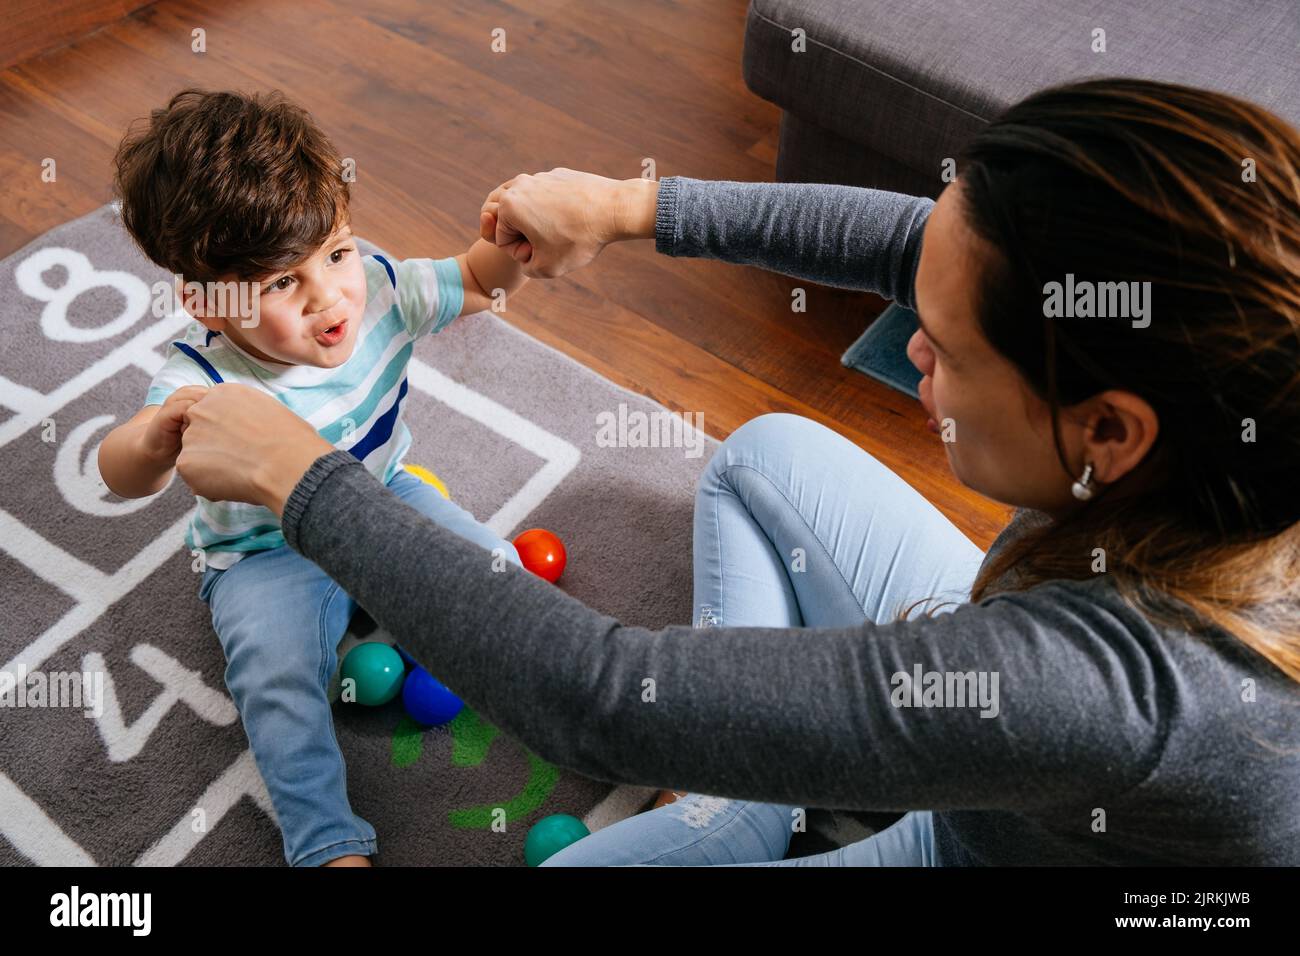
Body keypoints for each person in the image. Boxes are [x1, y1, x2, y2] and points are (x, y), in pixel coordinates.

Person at [173, 78, 1299, 865]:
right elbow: (904, 244)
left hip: (975, 838)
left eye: (946, 348)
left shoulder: (1099, 685)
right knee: (763, 457)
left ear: (1109, 433)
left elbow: (599, 699)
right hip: (1022, 772)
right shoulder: (1236, 390)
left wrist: (303, 480)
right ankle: (743, 777)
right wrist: (627, 207)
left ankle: (738, 773)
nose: (910, 345)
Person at [97, 89, 526, 866]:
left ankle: (582, 711)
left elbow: (476, 281)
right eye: (280, 283)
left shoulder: (380, 287)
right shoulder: (200, 375)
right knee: (275, 683)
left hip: (379, 491)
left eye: (334, 251)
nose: (331, 296)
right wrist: (155, 438)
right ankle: (328, 845)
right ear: (206, 303)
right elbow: (119, 473)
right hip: (266, 554)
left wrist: (511, 244)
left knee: (506, 581)